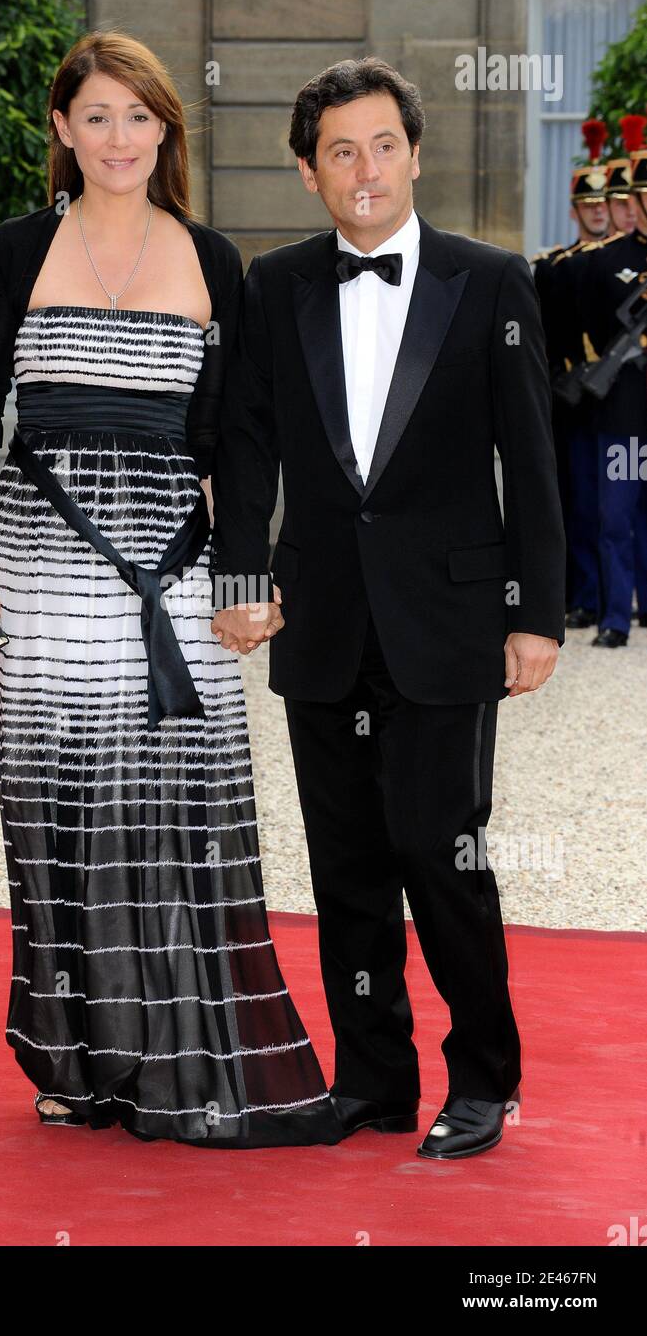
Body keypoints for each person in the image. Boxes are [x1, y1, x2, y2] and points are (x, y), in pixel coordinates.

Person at [0, 30, 344, 1149]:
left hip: (173, 571)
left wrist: (245, 574)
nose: (120, 137)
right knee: (53, 814)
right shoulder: (15, 251)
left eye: (140, 116)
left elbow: (232, 442)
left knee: (181, 815)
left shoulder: (215, 260)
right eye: (97, 116)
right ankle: (73, 1059)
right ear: (62, 129)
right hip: (39, 574)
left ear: (167, 129)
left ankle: (178, 1061)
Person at [209, 56, 566, 1160]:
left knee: (439, 849)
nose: (363, 170)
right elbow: (247, 442)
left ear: (415, 154)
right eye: (338, 152)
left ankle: (484, 1079)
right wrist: (237, 576)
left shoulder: (492, 280)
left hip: (448, 624)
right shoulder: (274, 287)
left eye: (381, 146)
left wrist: (537, 613)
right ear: (308, 172)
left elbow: (532, 457)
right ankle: (368, 1080)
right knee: (347, 863)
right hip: (321, 621)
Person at [572, 118, 647, 648]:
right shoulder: (607, 263)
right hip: (625, 416)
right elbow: (590, 340)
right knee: (616, 517)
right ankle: (616, 617)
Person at [531, 121, 608, 629]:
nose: (600, 212)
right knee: (567, 499)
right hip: (567, 393)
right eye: (592, 206)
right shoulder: (554, 266)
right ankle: (573, 593)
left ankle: (607, 595)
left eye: (606, 205)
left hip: (615, 393)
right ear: (575, 210)